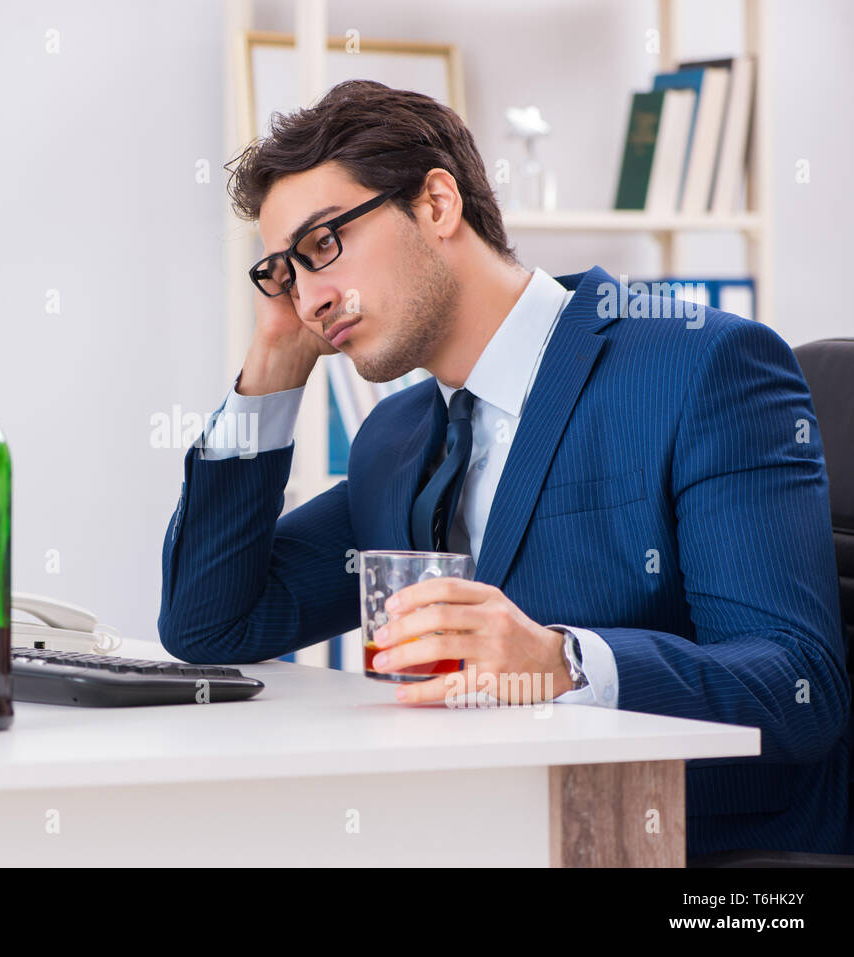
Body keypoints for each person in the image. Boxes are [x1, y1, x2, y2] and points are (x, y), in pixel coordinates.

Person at [157, 79, 849, 858]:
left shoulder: (702, 366)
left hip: (681, 851)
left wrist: (563, 661)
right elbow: (208, 623)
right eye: (284, 274)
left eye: (322, 247)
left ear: (438, 204)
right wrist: (275, 356)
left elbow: (801, 687)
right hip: (476, 833)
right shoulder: (395, 440)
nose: (312, 296)